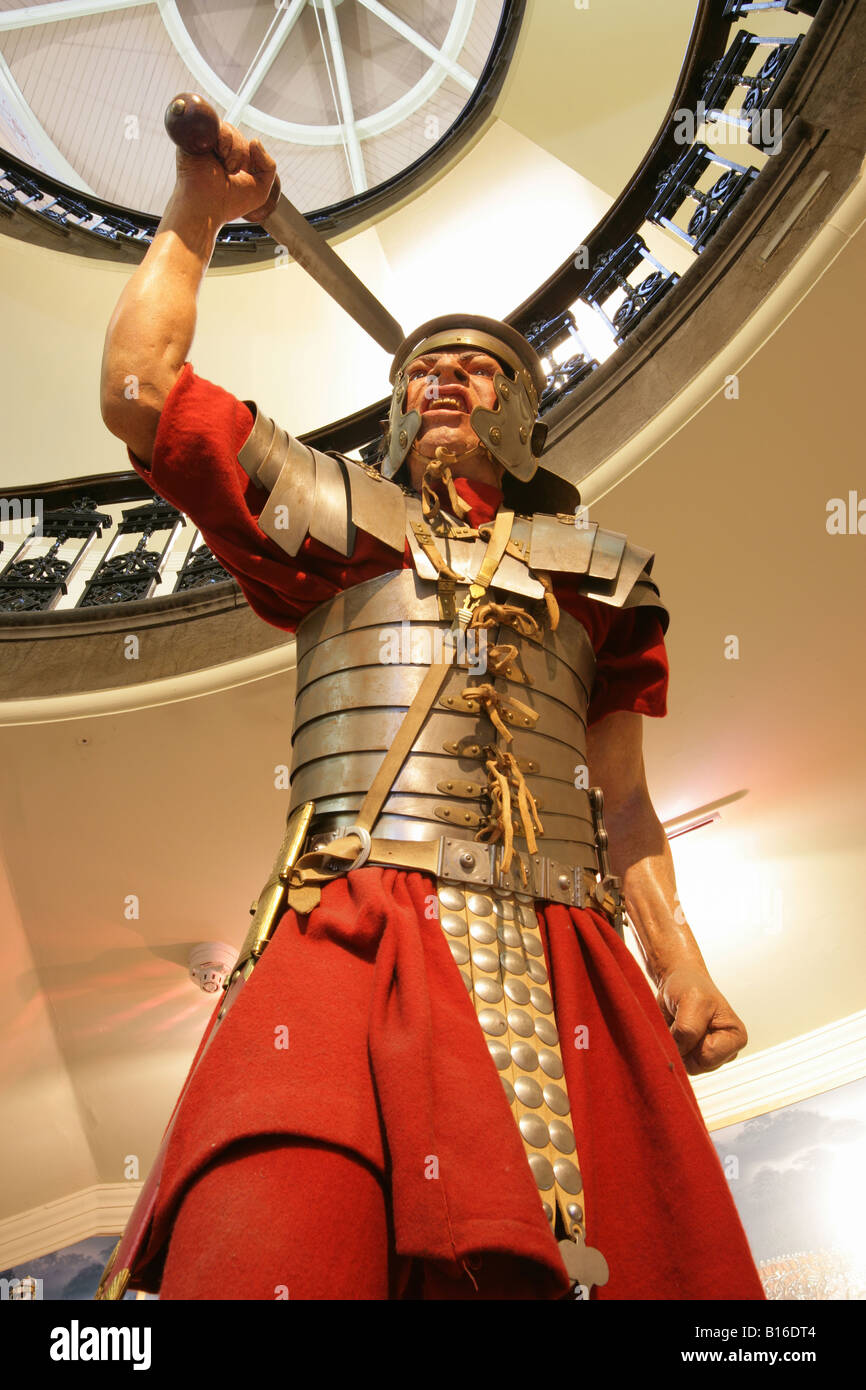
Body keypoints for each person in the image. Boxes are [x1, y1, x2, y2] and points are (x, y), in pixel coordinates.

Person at [96, 119, 765, 1302]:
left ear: (518, 414)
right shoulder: (335, 519)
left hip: (564, 933)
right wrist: (197, 213)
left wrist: (683, 970)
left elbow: (620, 803)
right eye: (421, 368)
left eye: (477, 366)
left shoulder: (595, 578)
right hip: (359, 914)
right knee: (284, 1232)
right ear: (398, 414)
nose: (441, 375)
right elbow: (141, 394)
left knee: (638, 1266)